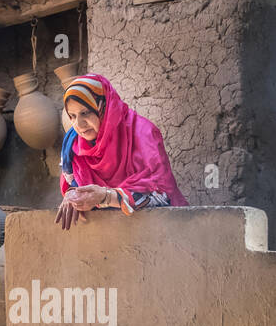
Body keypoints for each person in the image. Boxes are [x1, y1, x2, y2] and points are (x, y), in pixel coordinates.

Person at [55, 74, 188, 231]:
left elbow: (162, 193)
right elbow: (76, 184)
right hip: (108, 237)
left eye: (85, 113)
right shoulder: (74, 145)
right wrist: (73, 196)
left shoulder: (143, 133)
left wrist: (106, 196)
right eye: (72, 116)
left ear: (104, 106)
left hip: (159, 231)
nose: (79, 124)